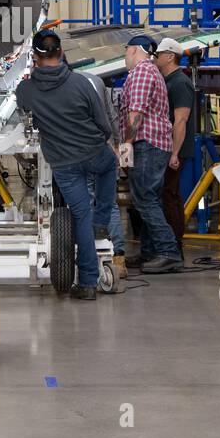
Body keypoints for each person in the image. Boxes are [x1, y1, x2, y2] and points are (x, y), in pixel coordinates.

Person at [15, 28, 117, 299]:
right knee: (110, 166)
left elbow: (25, 117)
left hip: (64, 164)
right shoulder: (82, 83)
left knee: (80, 216)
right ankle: (103, 221)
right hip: (94, 152)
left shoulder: (25, 91)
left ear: (34, 57)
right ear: (61, 53)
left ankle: (87, 284)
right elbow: (105, 126)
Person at [119, 35, 183, 273]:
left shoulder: (142, 72)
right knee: (149, 199)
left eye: (127, 51)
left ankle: (168, 251)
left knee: (145, 199)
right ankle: (150, 251)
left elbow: (136, 113)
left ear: (134, 50)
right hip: (154, 144)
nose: (125, 56)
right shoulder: (151, 71)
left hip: (147, 143)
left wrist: (126, 144)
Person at [82, 69, 128, 282]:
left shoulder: (65, 85)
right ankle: (118, 259)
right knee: (109, 204)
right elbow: (111, 116)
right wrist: (117, 145)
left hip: (80, 153)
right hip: (105, 149)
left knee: (85, 203)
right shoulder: (97, 81)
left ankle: (90, 255)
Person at [153, 37, 196, 260]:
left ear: (170, 56)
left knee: (169, 196)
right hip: (168, 148)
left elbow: (181, 120)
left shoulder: (179, 83)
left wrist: (175, 152)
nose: (155, 58)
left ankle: (174, 247)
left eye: (158, 54)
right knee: (166, 195)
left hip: (174, 150)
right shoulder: (168, 80)